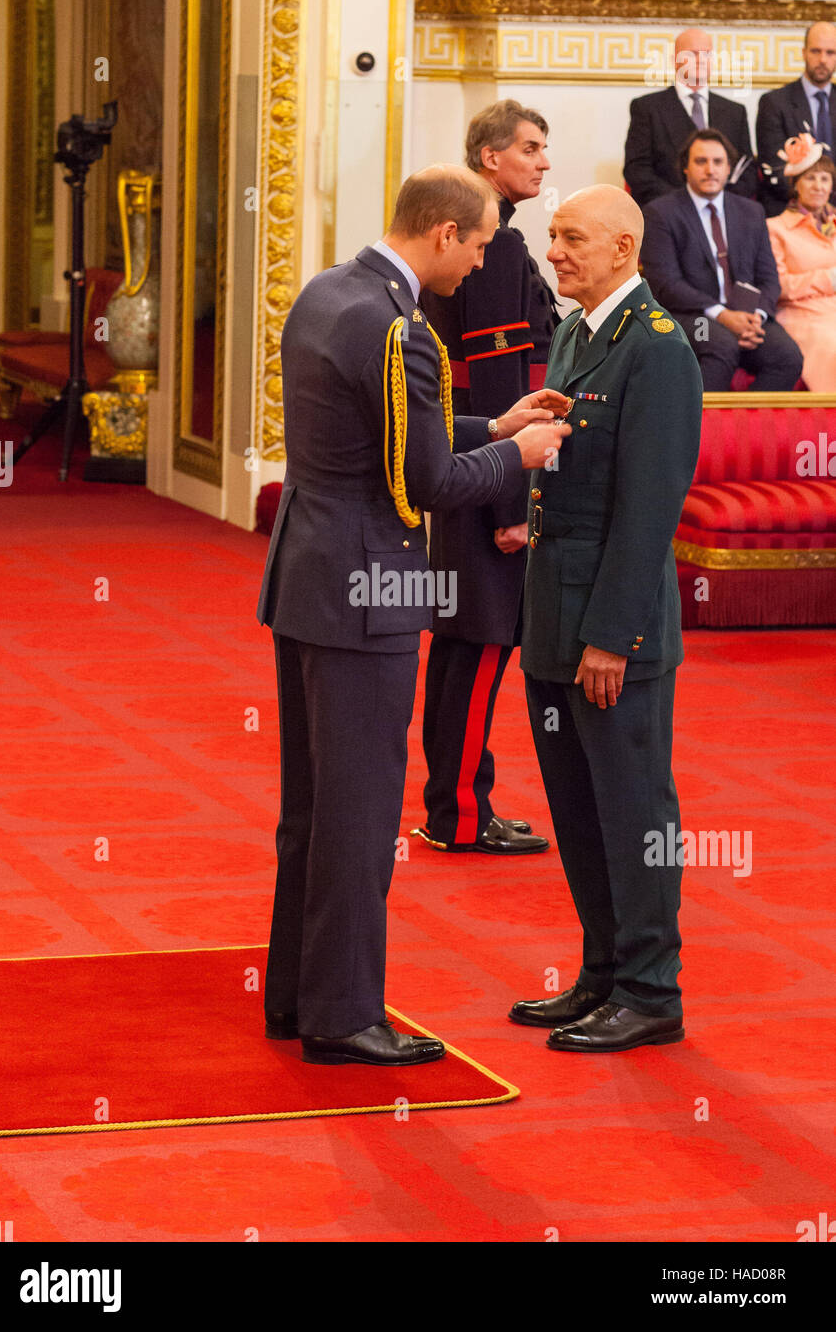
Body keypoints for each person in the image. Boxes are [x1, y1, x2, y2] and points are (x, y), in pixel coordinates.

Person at [256, 165, 571, 1067]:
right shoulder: (401, 332)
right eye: (475, 245)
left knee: (311, 809)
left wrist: (496, 424)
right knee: (356, 815)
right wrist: (527, 457)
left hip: (309, 577)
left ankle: (298, 996)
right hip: (370, 594)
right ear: (441, 233)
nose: (479, 264)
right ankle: (344, 1017)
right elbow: (425, 482)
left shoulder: (327, 293)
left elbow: (390, 439)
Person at [509, 184, 703, 1053]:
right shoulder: (575, 330)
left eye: (572, 238)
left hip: (608, 628)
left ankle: (651, 989)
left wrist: (609, 636)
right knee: (577, 807)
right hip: (553, 608)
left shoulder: (657, 350)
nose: (555, 251)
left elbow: (649, 508)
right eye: (551, 237)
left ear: (623, 249)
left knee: (633, 810)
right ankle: (602, 973)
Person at [412, 99, 559, 858]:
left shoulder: (477, 230)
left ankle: (452, 805)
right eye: (530, 148)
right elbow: (503, 377)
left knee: (461, 643)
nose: (542, 162)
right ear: (490, 157)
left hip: (461, 453)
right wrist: (513, 502)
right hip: (491, 468)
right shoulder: (491, 241)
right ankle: (460, 817)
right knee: (480, 645)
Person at [641, 128, 803, 391]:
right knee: (721, 345)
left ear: (729, 168)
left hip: (746, 316)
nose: (710, 170)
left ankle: (747, 429)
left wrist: (757, 317)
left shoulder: (751, 211)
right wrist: (723, 315)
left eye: (718, 162)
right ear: (685, 167)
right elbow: (666, 285)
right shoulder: (660, 213)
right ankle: (697, 430)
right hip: (691, 316)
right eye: (701, 161)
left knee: (787, 357)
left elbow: (769, 278)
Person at [623, 27, 757, 207]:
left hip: (724, 212)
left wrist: (720, 203)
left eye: (707, 54)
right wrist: (685, 204)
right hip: (667, 211)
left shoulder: (735, 112)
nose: (700, 60)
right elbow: (637, 171)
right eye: (693, 54)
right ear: (674, 60)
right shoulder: (647, 108)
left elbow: (746, 170)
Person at [766, 134, 836, 391]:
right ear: (796, 184)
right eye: (810, 177)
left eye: (824, 178)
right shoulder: (775, 228)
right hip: (802, 315)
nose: (818, 186)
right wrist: (828, 279)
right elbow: (779, 287)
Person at [757, 21, 836, 217]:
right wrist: (813, 205)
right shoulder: (774, 103)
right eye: (816, 51)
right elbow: (774, 168)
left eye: (830, 53)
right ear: (803, 53)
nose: (823, 59)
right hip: (789, 211)